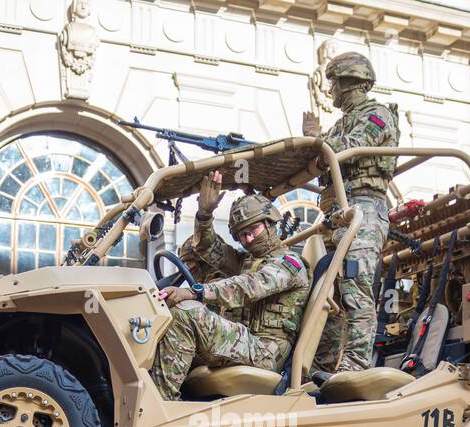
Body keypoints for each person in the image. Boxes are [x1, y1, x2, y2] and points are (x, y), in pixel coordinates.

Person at [149, 185, 309, 400]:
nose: (248, 240)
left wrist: (195, 292)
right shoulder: (247, 261)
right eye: (242, 235)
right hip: (244, 343)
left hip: (265, 350)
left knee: (186, 314)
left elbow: (248, 287)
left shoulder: (289, 264)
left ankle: (161, 407)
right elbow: (208, 248)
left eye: (252, 231)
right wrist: (204, 214)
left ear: (270, 223)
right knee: (159, 329)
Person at [304, 51, 399, 373]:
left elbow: (344, 149)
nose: (329, 91)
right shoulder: (341, 123)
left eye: (333, 83)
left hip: (363, 208)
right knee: (328, 291)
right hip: (339, 211)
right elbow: (320, 158)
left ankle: (355, 364)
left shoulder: (377, 115)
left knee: (355, 288)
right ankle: (326, 364)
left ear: (348, 82)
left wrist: (317, 142)